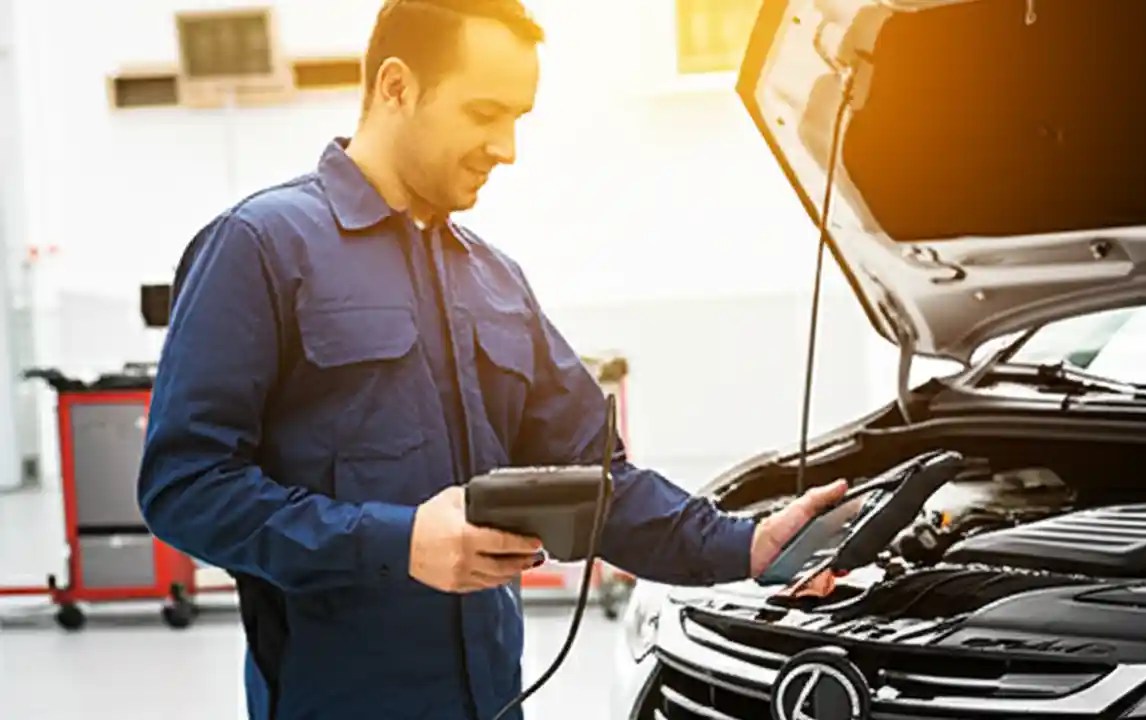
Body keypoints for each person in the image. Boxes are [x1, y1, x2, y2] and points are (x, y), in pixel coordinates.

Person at [136, 1, 849, 718]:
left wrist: (746, 546)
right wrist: (398, 541)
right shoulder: (260, 248)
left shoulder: (494, 278)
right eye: (484, 113)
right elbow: (185, 485)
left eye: (518, 118)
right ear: (395, 87)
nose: (507, 147)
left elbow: (596, 478)